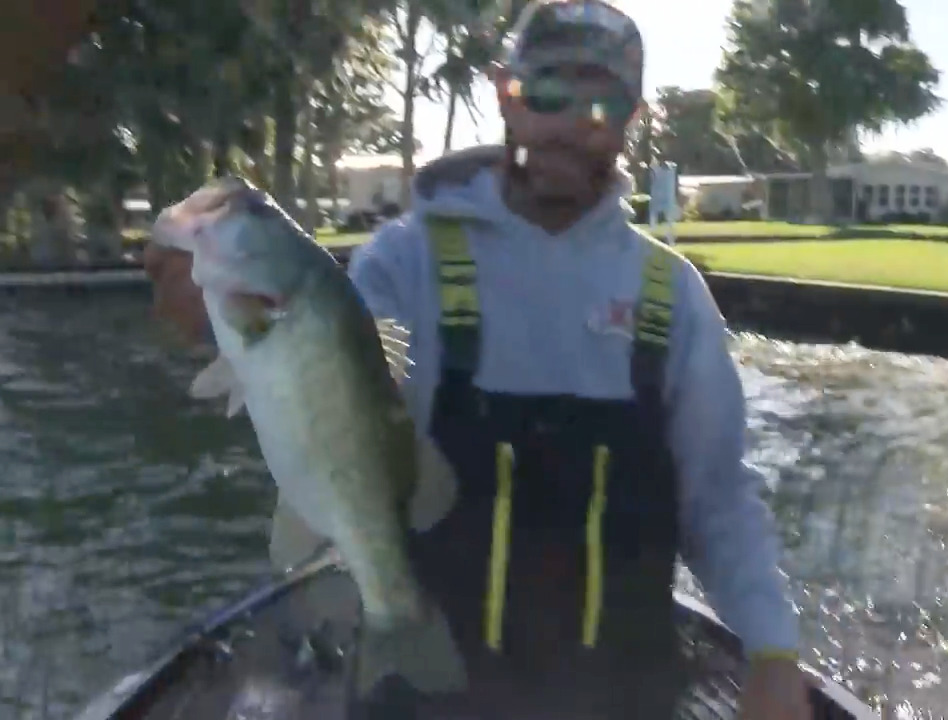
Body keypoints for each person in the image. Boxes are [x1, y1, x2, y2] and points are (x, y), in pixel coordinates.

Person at [143, 1, 812, 718]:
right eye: (547, 91)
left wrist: (774, 652)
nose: (572, 121)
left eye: (603, 100)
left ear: (634, 118)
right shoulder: (401, 264)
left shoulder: (671, 296)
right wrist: (217, 323)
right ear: (505, 93)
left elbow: (718, 497)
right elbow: (326, 413)